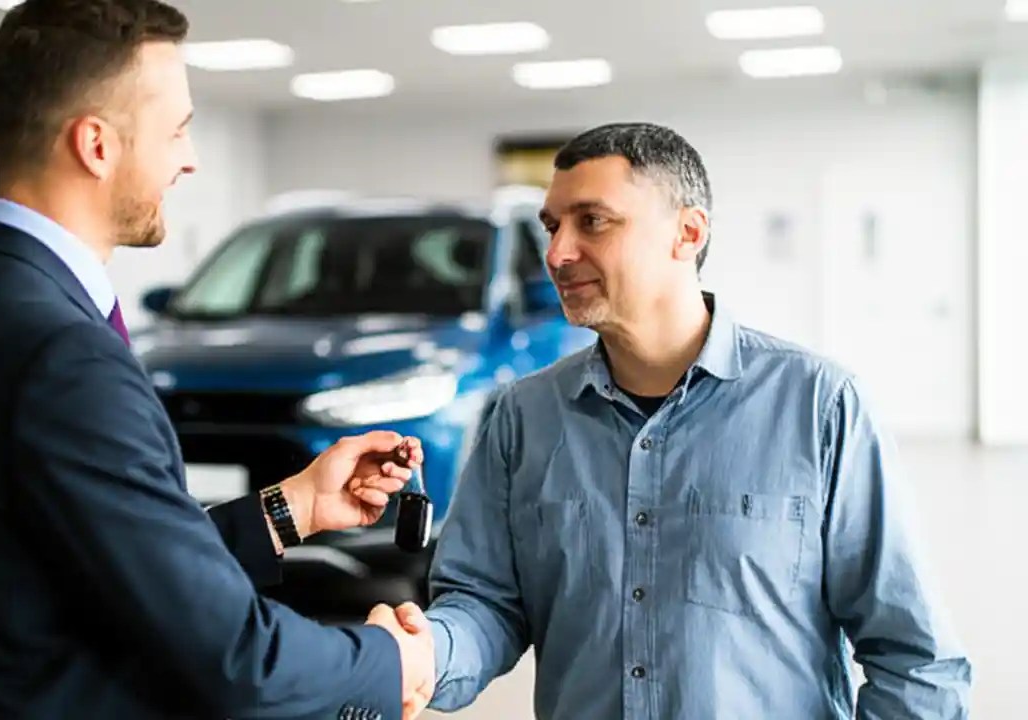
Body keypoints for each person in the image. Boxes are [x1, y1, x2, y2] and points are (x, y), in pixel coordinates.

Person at [0, 1, 433, 718]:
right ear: (97, 146)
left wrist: (290, 508)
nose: (190, 158)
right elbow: (236, 662)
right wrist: (390, 661)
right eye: (177, 130)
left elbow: (95, 565)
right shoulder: (64, 355)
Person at [401, 122, 972, 718]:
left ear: (688, 232)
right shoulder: (525, 416)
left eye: (592, 221)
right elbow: (487, 604)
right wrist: (426, 655)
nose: (557, 253)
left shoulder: (819, 404)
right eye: (552, 226)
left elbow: (916, 660)